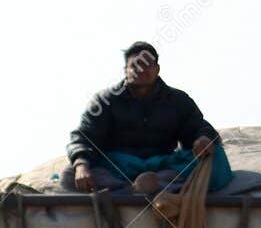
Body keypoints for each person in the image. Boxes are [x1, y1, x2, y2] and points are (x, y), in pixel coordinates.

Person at [66, 42, 232, 194]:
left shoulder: (178, 100)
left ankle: (155, 184)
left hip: (164, 166)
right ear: (125, 70)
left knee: (216, 157)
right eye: (135, 65)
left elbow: (199, 127)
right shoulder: (105, 101)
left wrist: (203, 139)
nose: (141, 69)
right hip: (118, 166)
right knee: (71, 173)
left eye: (148, 65)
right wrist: (81, 166)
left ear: (157, 69)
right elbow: (84, 136)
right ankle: (139, 187)